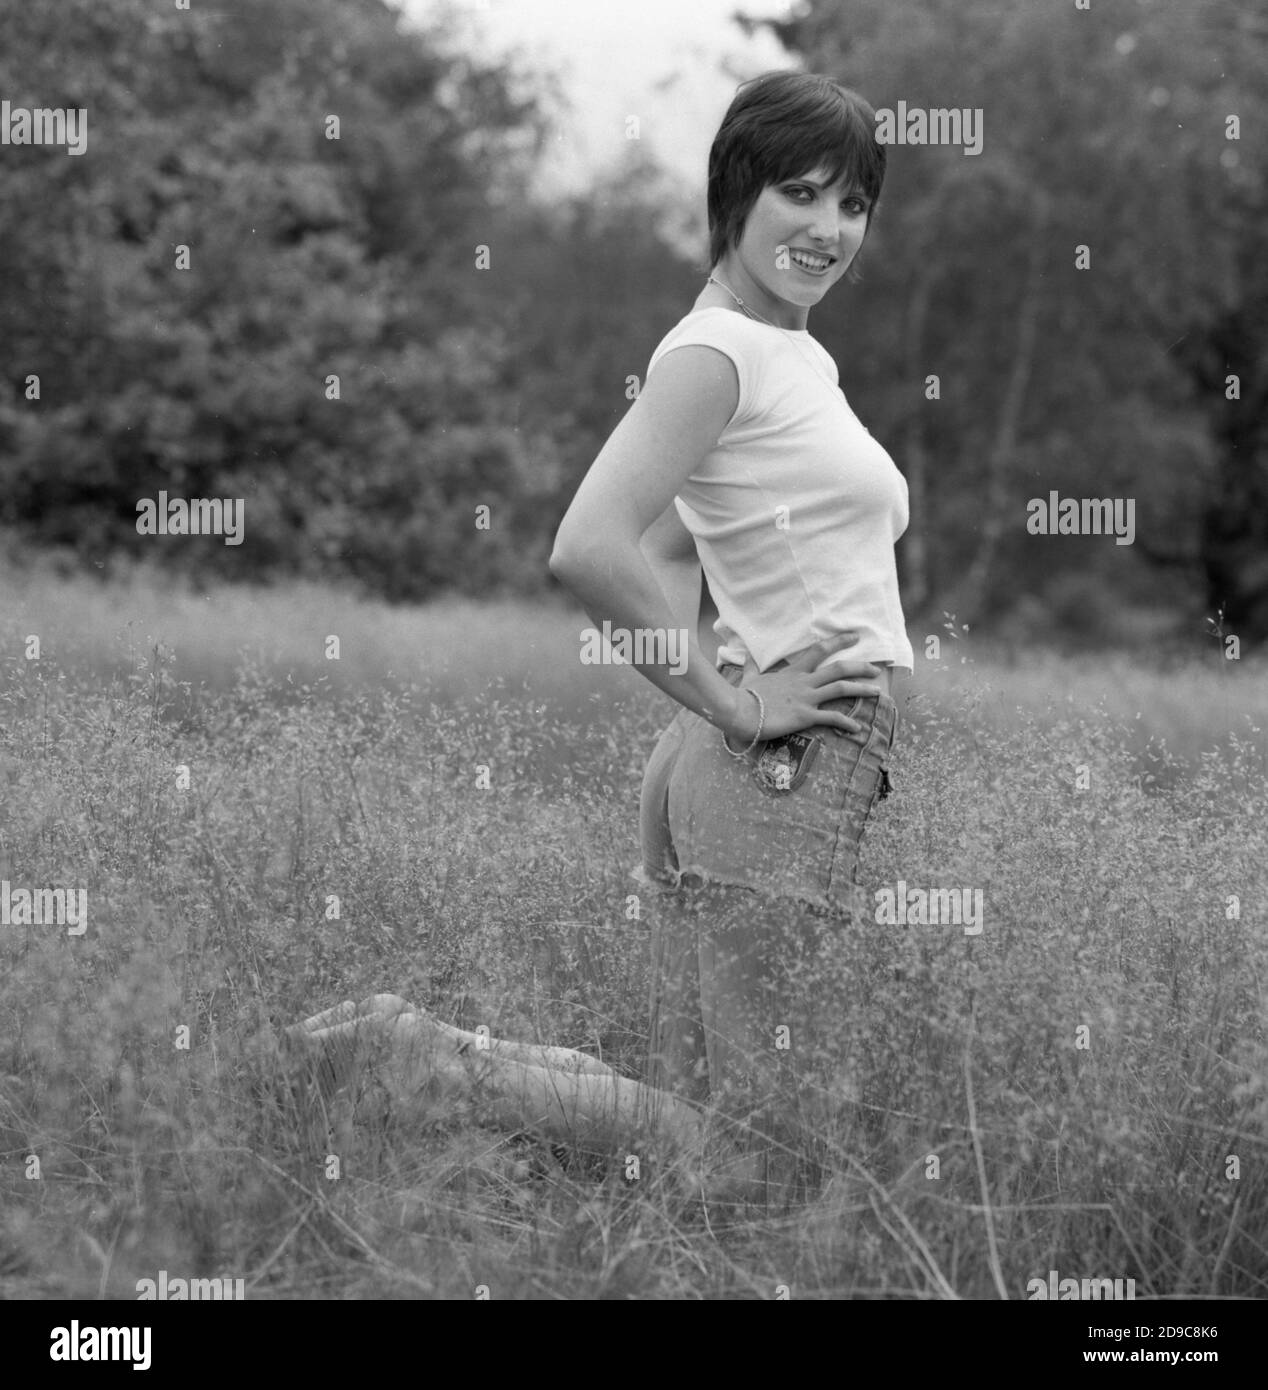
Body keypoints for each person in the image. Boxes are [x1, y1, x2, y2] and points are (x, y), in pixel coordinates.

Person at [286, 70, 911, 1209]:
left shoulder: (777, 354)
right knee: (764, 1160)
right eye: (800, 193)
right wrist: (734, 701)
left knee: (676, 1117)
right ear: (734, 192)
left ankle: (404, 1048)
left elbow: (677, 550)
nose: (827, 228)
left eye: (852, 204)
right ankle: (420, 1058)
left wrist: (712, 711)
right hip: (779, 756)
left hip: (738, 764)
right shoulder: (717, 354)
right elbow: (588, 544)